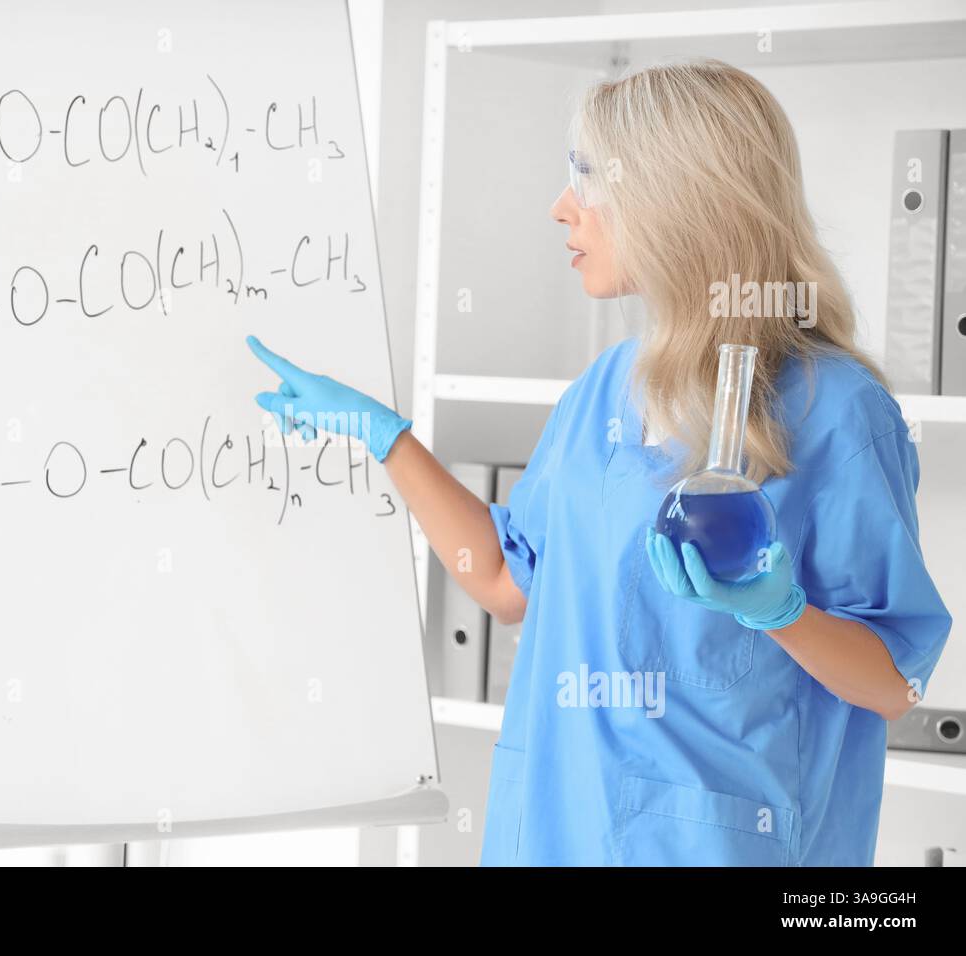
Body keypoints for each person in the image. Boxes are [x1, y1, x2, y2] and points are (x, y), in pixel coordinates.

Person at [246, 59, 952, 866]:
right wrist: (384, 437)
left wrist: (781, 612)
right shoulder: (602, 391)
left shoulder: (836, 409)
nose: (560, 208)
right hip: (550, 834)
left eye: (585, 180)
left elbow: (894, 685)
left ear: (675, 197)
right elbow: (508, 585)